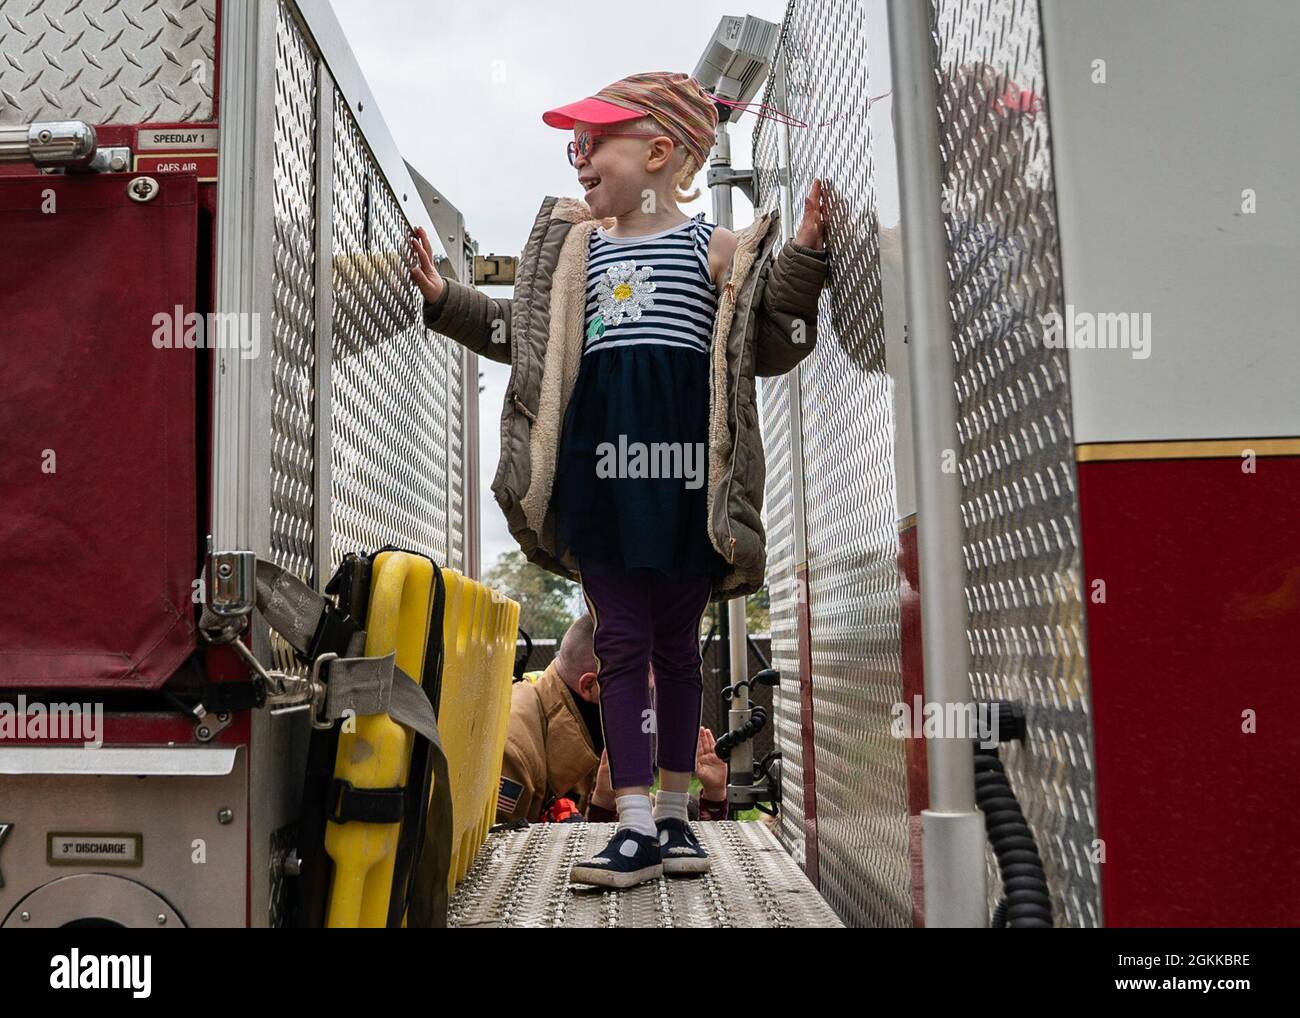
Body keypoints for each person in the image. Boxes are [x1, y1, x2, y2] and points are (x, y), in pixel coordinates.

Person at [411, 71, 827, 890]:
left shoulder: (714, 248)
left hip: (681, 485)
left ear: (660, 151)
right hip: (599, 479)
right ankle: (633, 822)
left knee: (677, 650)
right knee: (622, 644)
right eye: (574, 146)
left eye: (592, 143)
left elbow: (771, 331)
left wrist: (807, 251)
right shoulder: (579, 253)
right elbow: (517, 336)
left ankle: (675, 818)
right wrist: (444, 299)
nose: (578, 159)